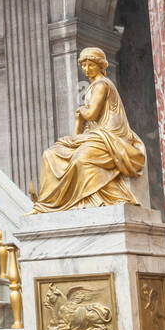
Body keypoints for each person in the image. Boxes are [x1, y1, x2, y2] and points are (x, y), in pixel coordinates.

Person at [30, 47, 146, 211]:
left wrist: (81, 111)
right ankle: (48, 202)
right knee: (51, 154)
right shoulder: (92, 87)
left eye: (90, 65)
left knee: (80, 159)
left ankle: (92, 199)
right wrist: (77, 128)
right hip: (94, 136)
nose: (86, 69)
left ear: (100, 65)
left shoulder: (102, 85)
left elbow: (90, 114)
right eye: (83, 65)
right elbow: (82, 127)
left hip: (110, 137)